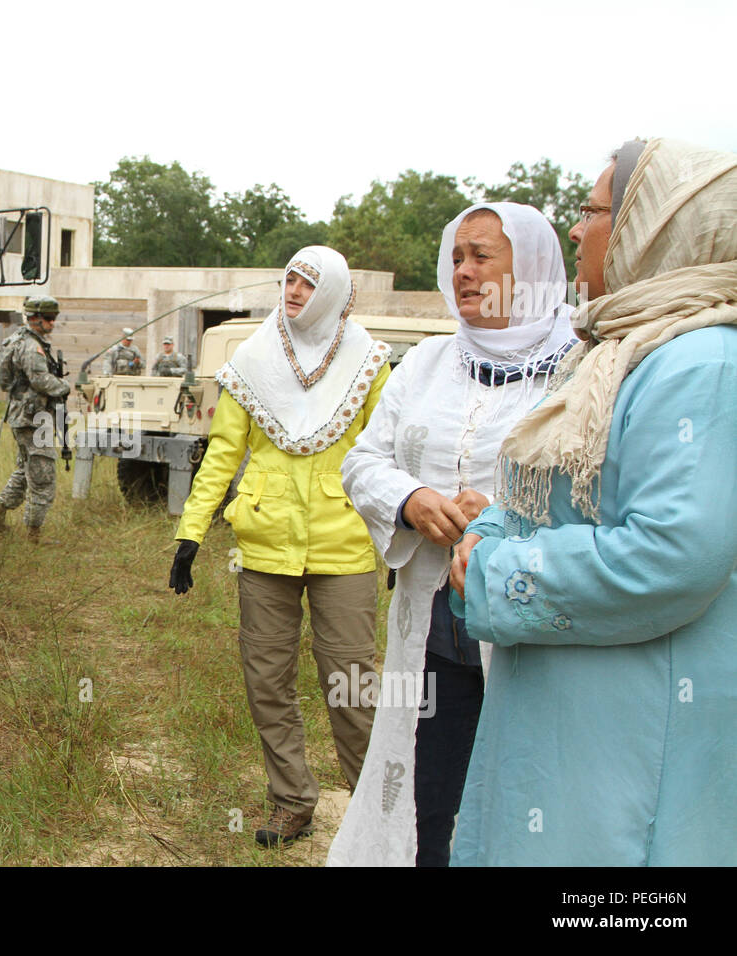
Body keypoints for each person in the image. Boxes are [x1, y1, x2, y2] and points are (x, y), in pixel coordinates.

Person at [448, 139, 737, 866]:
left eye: (594, 210)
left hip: (633, 727)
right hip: (574, 707)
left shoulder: (701, 363)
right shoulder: (616, 350)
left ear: (656, 227)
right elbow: (539, 492)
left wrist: (497, 569)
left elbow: (675, 556)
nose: (576, 230)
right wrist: (486, 530)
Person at [326, 203, 576, 867]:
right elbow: (363, 460)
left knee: (522, 790)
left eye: (481, 257)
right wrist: (411, 499)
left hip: (531, 626)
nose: (462, 271)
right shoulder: (430, 363)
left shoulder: (580, 369)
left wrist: (501, 511)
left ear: (532, 270)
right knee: (424, 790)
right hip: (433, 620)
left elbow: (595, 483)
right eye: (456, 257)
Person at [168, 246, 391, 847]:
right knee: (266, 679)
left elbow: (391, 454)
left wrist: (403, 534)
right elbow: (223, 452)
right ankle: (292, 800)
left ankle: (376, 812)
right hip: (264, 547)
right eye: (289, 280)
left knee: (349, 682)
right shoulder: (252, 359)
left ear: (333, 293)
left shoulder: (368, 362)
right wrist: (191, 531)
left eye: (307, 284)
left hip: (345, 546)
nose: (293, 292)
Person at [0, 295, 71, 541]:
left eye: (55, 318)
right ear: (35, 318)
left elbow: (4, 382)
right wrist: (63, 386)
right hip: (35, 419)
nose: (53, 323)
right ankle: (34, 534)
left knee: (25, 469)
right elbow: (41, 380)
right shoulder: (33, 347)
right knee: (43, 475)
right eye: (50, 319)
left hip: (21, 416)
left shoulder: (15, 341)